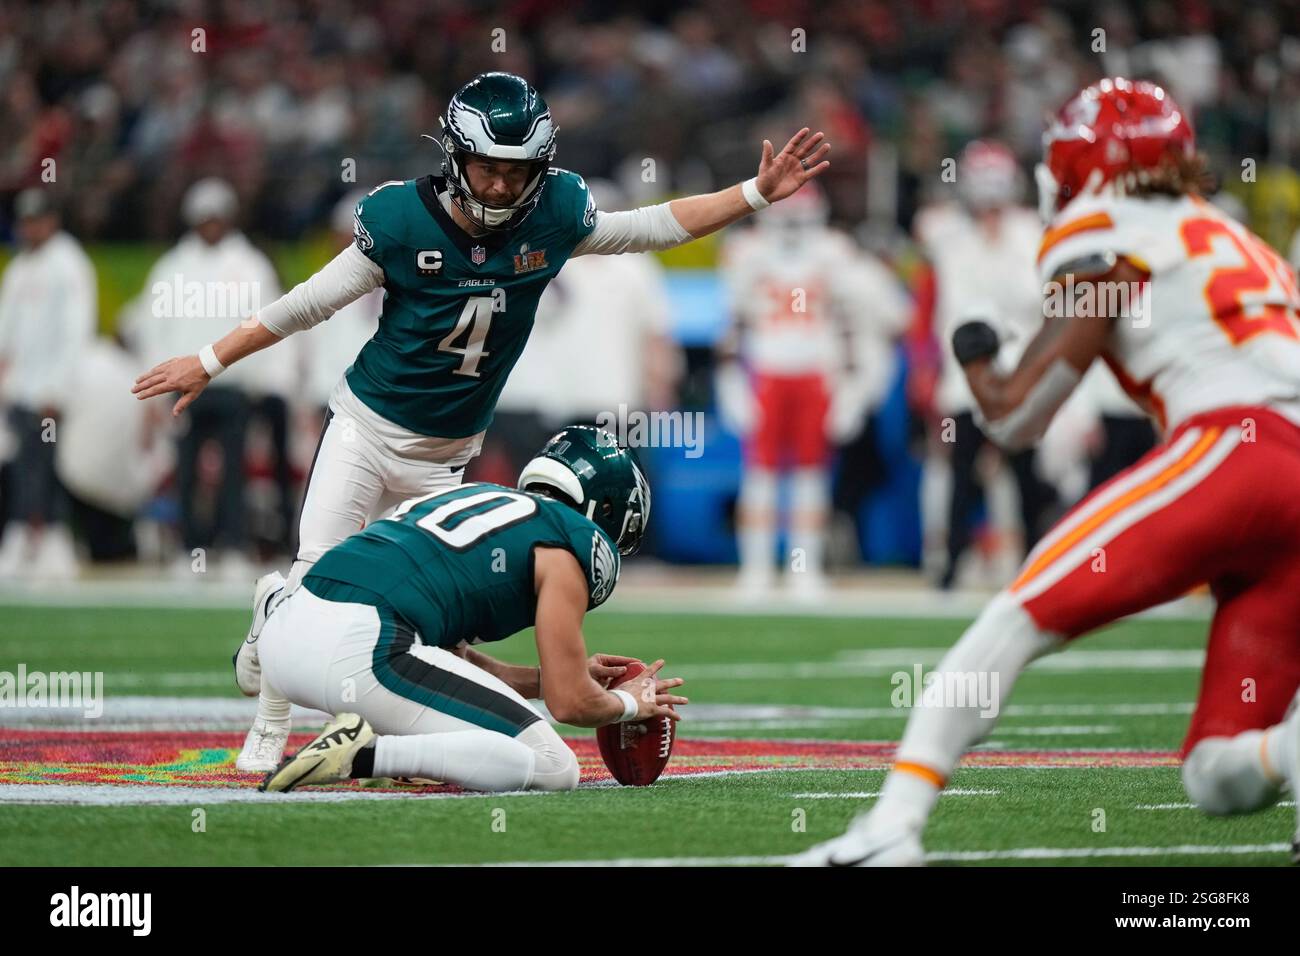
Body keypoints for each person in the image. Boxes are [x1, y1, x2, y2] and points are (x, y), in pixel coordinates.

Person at [131, 71, 828, 770]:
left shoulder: (556, 214)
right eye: (487, 169)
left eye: (515, 172)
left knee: (431, 623)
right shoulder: (401, 219)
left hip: (447, 455)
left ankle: (383, 739)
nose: (498, 186)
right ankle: (269, 724)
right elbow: (308, 303)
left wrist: (755, 193)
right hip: (366, 428)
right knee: (318, 583)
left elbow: (653, 226)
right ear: (455, 156)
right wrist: (208, 359)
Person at [796, 78, 1300, 865]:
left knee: (1014, 618)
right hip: (1279, 460)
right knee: (1217, 777)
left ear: (1084, 163)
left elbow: (1017, 415)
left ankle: (891, 828)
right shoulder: (1239, 234)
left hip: (1238, 447)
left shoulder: (1102, 229)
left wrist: (975, 354)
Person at [254, 425, 685, 794]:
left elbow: (450, 661)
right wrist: (626, 704)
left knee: (446, 690)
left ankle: (272, 609)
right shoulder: (567, 540)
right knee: (554, 766)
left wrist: (546, 679)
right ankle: (367, 755)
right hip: (360, 645)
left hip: (288, 638)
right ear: (604, 511)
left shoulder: (476, 499)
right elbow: (570, 704)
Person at [716, 183, 908, 596]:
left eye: (798, 219)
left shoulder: (834, 253)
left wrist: (853, 389)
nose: (790, 230)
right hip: (767, 371)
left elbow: (851, 323)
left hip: (815, 374)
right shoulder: (748, 253)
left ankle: (804, 569)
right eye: (783, 219)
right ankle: (757, 569)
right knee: (761, 476)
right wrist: (730, 382)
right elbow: (733, 323)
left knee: (809, 477)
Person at [0, 188, 96, 579]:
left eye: (36, 220)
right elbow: (7, 332)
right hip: (21, 388)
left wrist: (58, 387)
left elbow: (77, 330)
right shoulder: (20, 268)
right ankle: (37, 542)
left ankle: (45, 541)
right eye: (24, 222)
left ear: (51, 221)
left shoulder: (68, 263)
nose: (30, 228)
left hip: (50, 391)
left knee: (46, 465)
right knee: (25, 466)